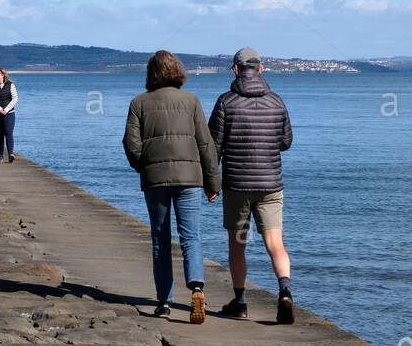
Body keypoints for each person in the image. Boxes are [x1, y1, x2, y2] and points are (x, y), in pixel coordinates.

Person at [122, 50, 219, 324]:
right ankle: (197, 288)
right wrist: (213, 183)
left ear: (151, 73)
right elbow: (206, 145)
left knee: (160, 240)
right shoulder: (191, 101)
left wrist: (144, 165)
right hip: (189, 178)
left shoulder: (138, 103)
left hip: (156, 181)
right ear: (177, 71)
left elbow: (131, 144)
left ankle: (164, 301)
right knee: (191, 237)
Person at [208, 47, 296, 324]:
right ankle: (284, 291)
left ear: (236, 70)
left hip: (237, 184)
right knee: (275, 242)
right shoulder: (277, 101)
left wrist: (210, 183)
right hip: (271, 183)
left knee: (238, 244)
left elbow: (214, 147)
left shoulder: (225, 102)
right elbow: (285, 142)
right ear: (260, 69)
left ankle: (241, 301)